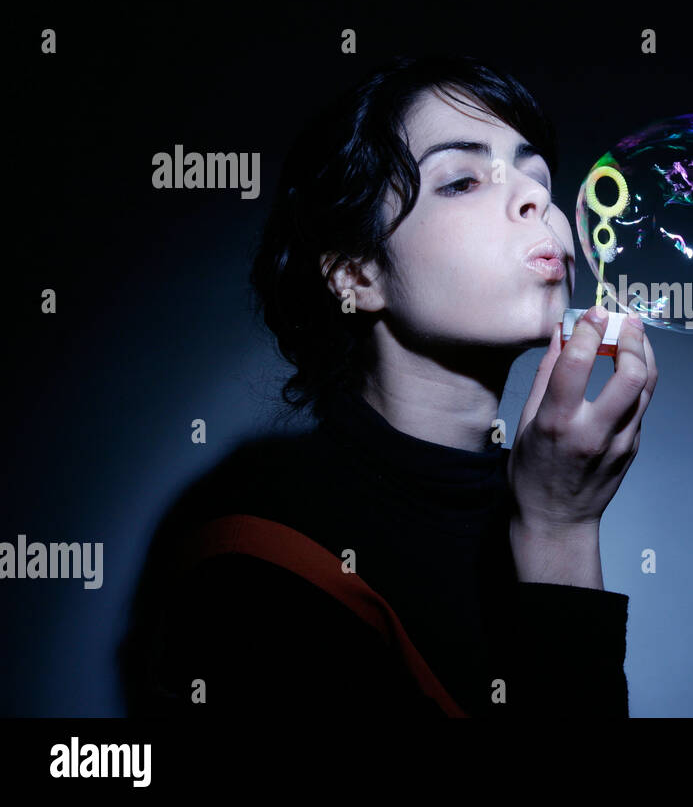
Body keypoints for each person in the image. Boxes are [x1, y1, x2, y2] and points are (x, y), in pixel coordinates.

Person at [116, 54, 658, 717]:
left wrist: (559, 517)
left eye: (537, 175)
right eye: (462, 181)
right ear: (357, 274)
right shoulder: (262, 560)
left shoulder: (542, 490)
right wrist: (559, 531)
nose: (535, 198)